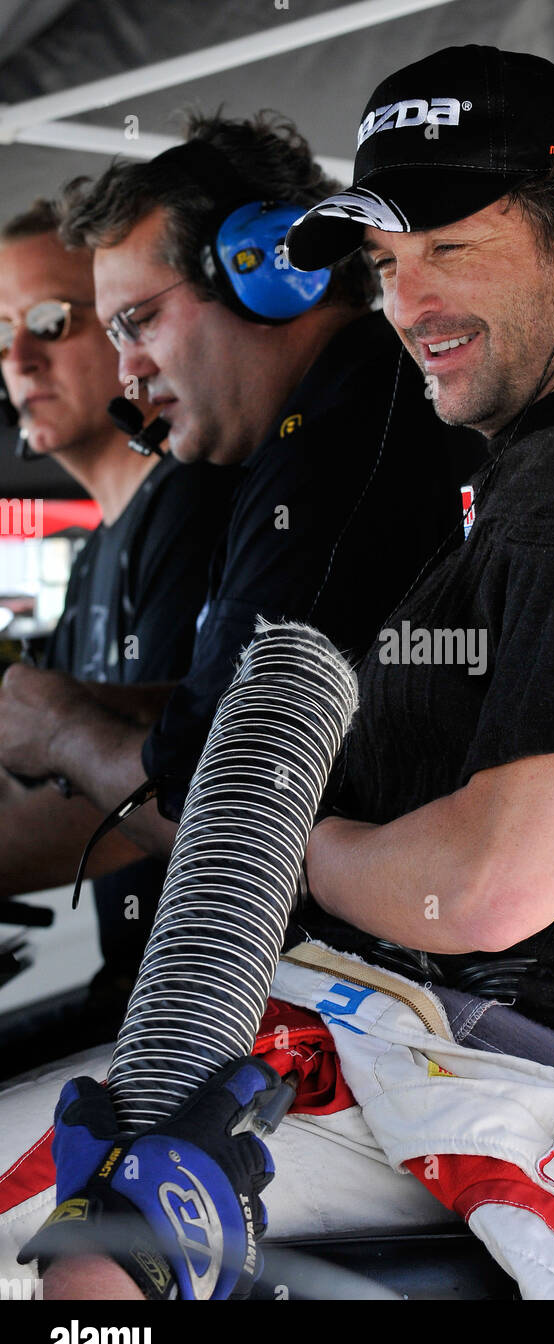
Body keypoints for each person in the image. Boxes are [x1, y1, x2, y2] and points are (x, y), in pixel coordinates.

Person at [0, 48, 554, 1301]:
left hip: (495, 1073)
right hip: (378, 1038)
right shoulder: (523, 472)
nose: (406, 301)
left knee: (67, 1256)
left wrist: (264, 831)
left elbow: (484, 887)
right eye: (383, 264)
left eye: (449, 248)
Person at [0, 111, 482, 859]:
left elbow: (214, 810)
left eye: (138, 321)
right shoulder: (341, 418)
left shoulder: (328, 457)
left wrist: (64, 734)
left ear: (269, 273)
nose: (127, 371)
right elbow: (226, 710)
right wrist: (90, 703)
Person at [0, 198, 237, 1049]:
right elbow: (41, 779)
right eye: (0, 333)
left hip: (217, 1016)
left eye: (49, 320)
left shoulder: (196, 503)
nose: (17, 357)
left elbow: (173, 782)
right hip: (136, 991)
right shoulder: (102, 549)